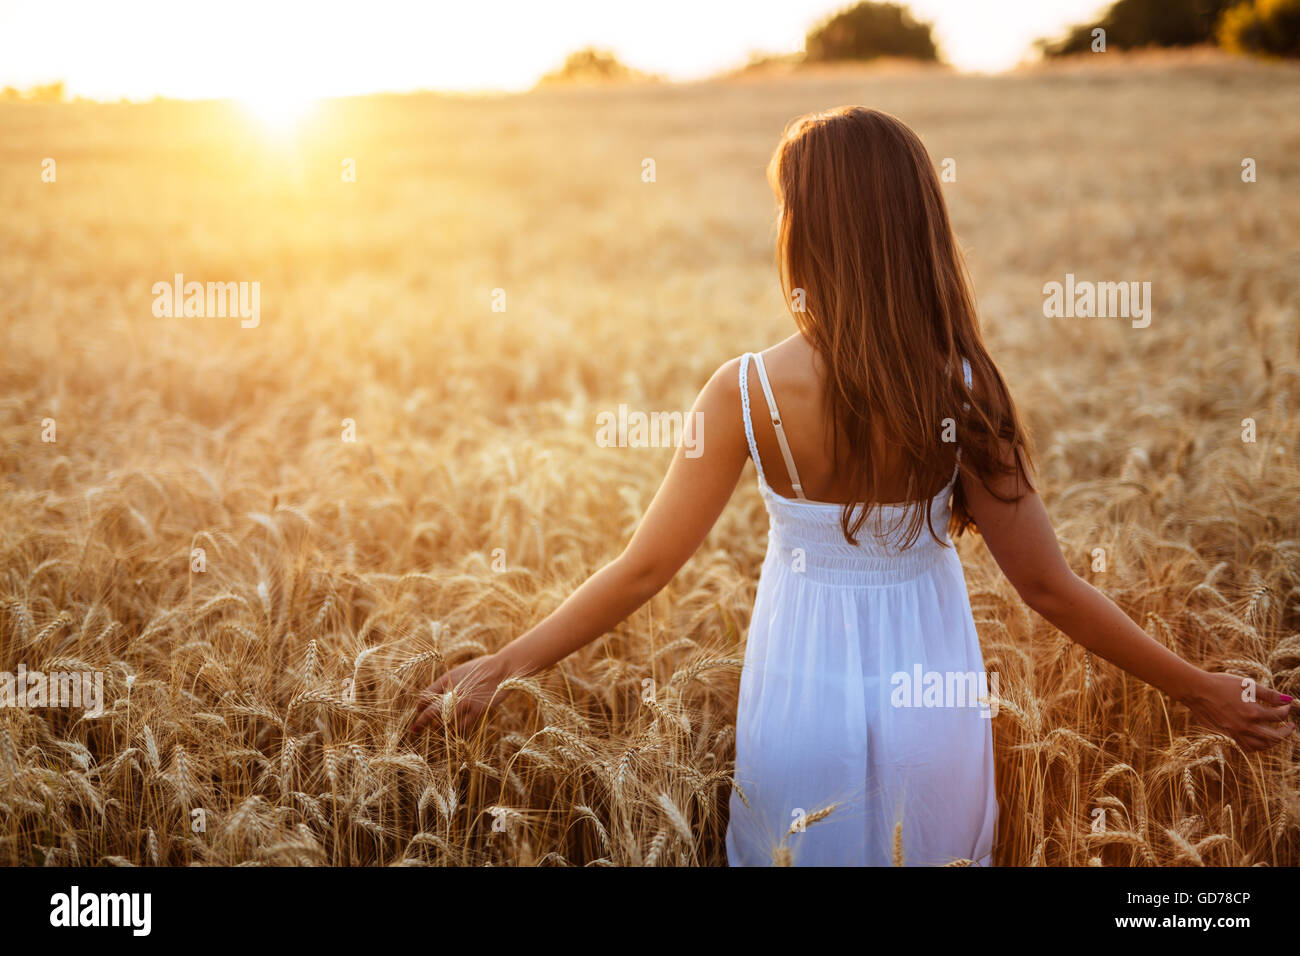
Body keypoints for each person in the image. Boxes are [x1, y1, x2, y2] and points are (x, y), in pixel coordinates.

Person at [410, 106, 1294, 866]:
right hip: (934, 708)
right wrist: (1200, 689)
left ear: (810, 229)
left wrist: (504, 663)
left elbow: (643, 569)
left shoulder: (744, 391)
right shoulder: (965, 388)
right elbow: (1050, 587)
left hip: (798, 702)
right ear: (914, 225)